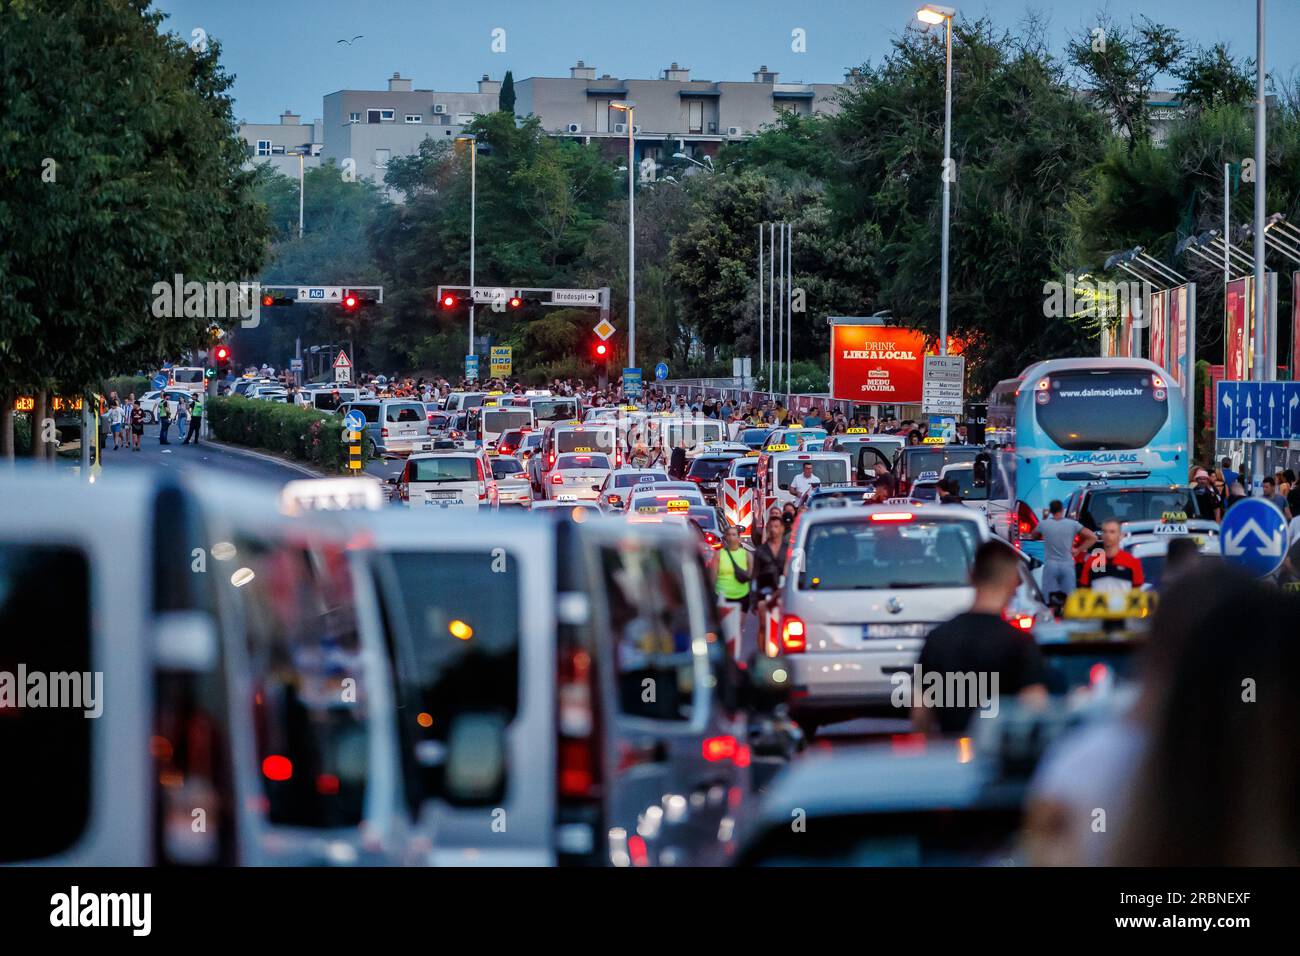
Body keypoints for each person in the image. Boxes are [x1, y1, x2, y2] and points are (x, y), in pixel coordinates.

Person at [912, 541, 1049, 735]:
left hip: (952, 756)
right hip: (998, 758)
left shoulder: (938, 639)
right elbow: (1034, 708)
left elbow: (920, 716)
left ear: (971, 576)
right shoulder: (1019, 644)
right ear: (1013, 582)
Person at [1030, 500, 1096, 602]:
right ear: (1062, 510)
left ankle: (1052, 615)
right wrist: (1078, 550)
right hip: (1067, 564)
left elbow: (1033, 536)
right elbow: (1092, 537)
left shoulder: (1044, 524)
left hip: (1051, 565)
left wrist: (1044, 518)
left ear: (1051, 511)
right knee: (1070, 599)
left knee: (1049, 598)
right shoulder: (1072, 524)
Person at [750, 513, 790, 658]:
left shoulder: (788, 550)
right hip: (764, 591)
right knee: (763, 625)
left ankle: (783, 654)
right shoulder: (761, 551)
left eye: (776, 526)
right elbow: (754, 575)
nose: (773, 530)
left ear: (782, 529)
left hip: (783, 592)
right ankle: (763, 655)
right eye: (771, 527)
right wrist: (754, 600)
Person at [714, 526, 751, 658]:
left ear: (739, 538)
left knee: (738, 626)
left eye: (734, 535)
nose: (731, 537)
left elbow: (751, 575)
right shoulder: (719, 555)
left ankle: (736, 654)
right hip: (723, 596)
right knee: (727, 628)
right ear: (725, 538)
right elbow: (713, 576)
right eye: (728, 535)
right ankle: (727, 654)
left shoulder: (746, 555)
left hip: (741, 595)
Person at [1079, 518, 1143, 593]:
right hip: (1098, 604)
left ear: (1120, 535)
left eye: (1112, 532)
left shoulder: (1132, 561)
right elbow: (1084, 590)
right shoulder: (1092, 561)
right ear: (1101, 535)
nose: (1108, 535)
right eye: (1105, 532)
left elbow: (1137, 592)